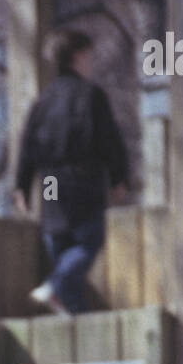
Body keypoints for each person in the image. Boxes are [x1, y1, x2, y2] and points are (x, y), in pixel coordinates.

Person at [13, 28, 131, 315]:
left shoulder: (42, 103)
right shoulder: (90, 95)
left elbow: (27, 145)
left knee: (60, 242)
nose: (91, 63)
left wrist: (22, 186)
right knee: (88, 240)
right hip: (84, 179)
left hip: (51, 183)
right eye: (89, 57)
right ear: (78, 57)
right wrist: (119, 178)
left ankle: (74, 312)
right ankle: (55, 284)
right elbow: (109, 140)